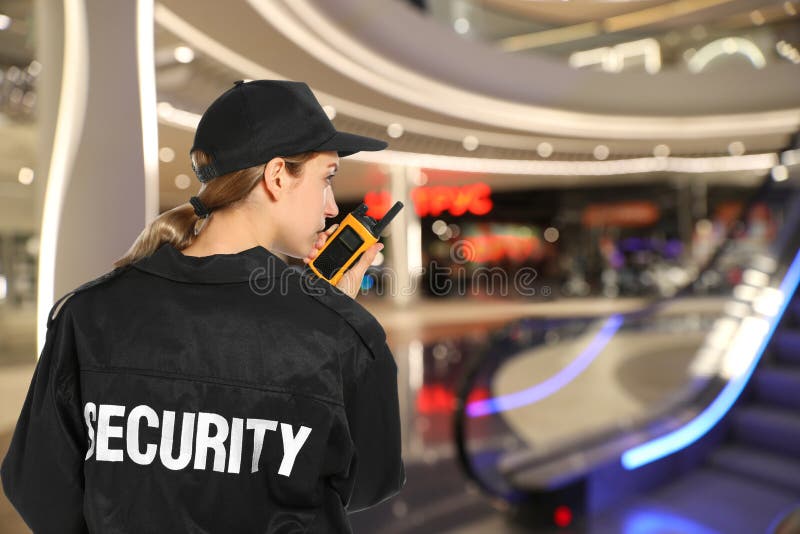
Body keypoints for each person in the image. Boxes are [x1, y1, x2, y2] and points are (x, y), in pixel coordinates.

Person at [1, 79, 405, 533]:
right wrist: (330, 310)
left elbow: (38, 490)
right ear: (276, 176)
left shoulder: (85, 314)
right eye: (327, 178)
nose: (332, 207)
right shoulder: (342, 335)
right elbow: (369, 484)